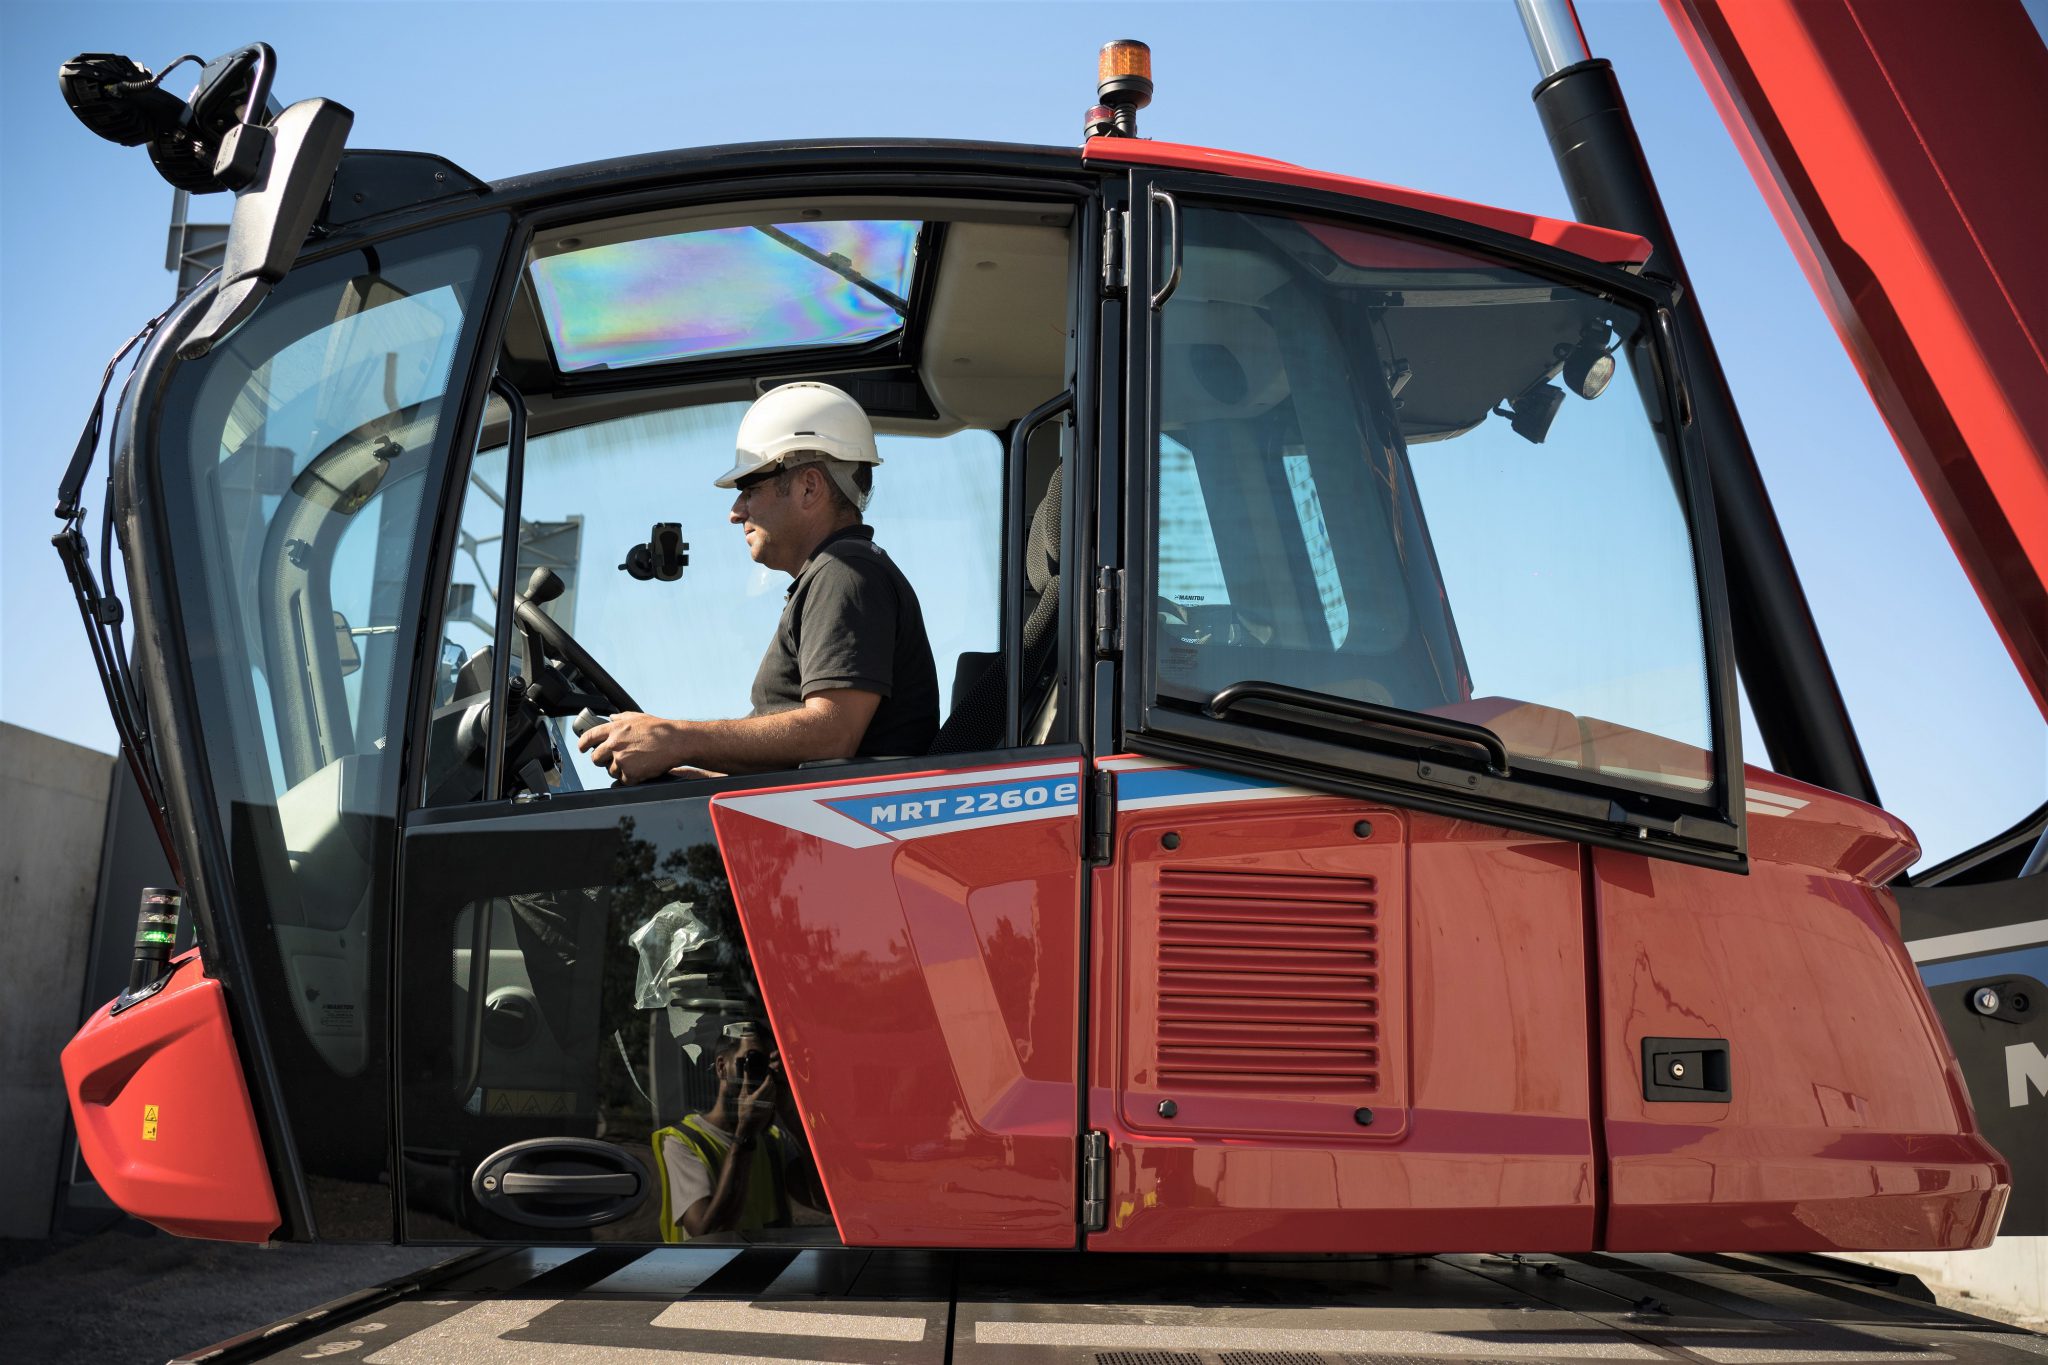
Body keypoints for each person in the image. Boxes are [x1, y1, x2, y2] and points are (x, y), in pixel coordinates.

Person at [579, 381, 939, 782]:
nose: (735, 512)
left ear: (809, 487)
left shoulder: (845, 572)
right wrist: (691, 777)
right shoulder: (836, 573)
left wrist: (675, 737)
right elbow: (803, 771)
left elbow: (832, 736)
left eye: (750, 489)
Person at [651, 1024, 793, 1241]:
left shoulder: (773, 1140)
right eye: (752, 1062)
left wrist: (789, 1110)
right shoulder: (683, 1142)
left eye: (767, 1065)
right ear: (721, 1067)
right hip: (709, 1274)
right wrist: (745, 1133)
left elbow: (822, 1202)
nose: (760, 1073)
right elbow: (709, 1234)